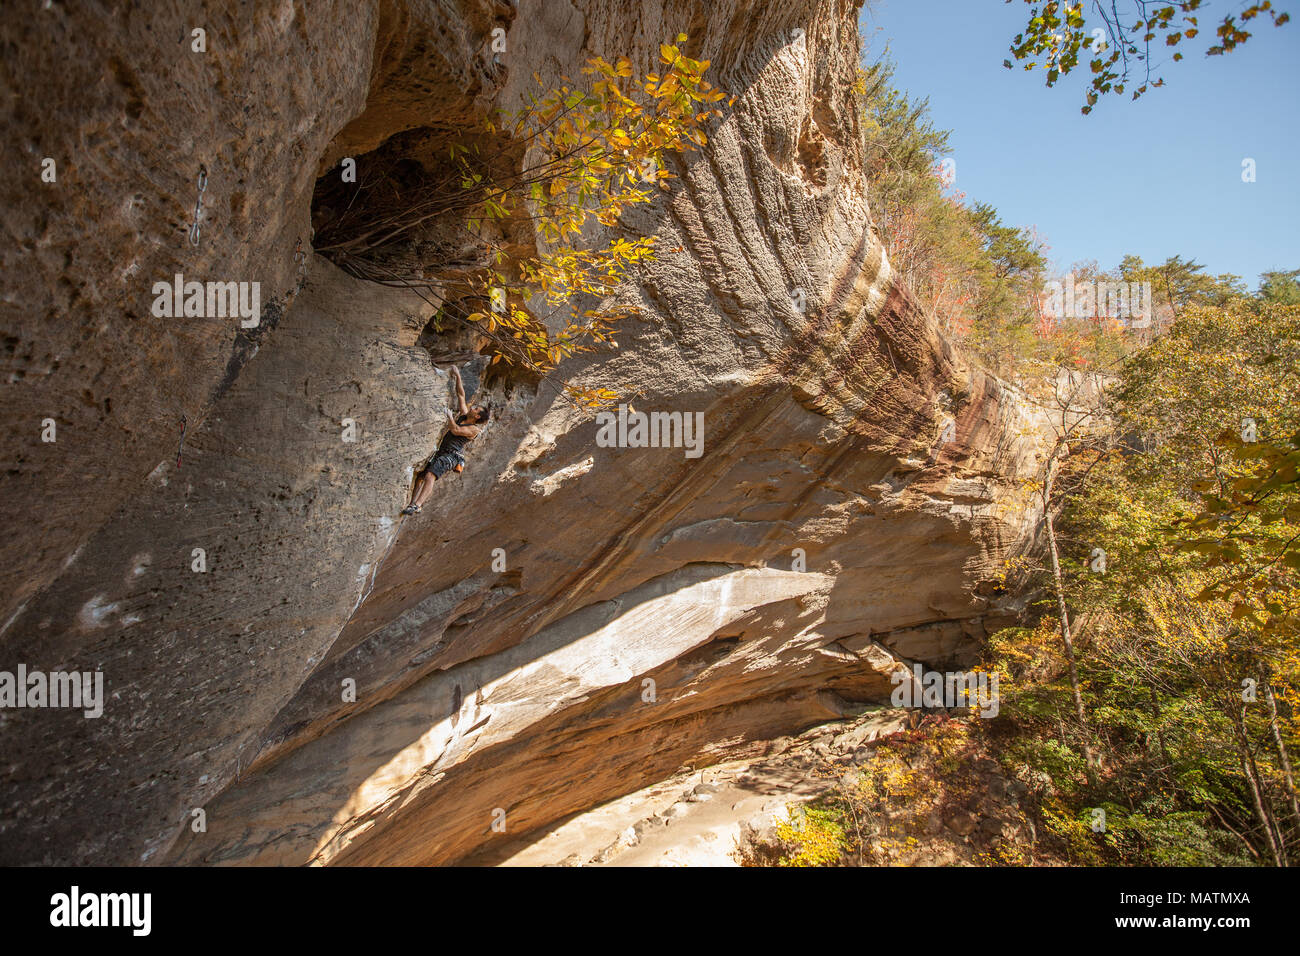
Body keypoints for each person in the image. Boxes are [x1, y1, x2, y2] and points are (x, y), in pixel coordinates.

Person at [401, 366, 489, 515]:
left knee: (430, 475)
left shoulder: (474, 429)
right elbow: (461, 395)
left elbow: (456, 430)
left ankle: (417, 505)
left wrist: (449, 417)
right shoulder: (464, 415)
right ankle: (413, 504)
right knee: (421, 477)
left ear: (478, 416)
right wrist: (457, 375)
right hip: (442, 451)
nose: (472, 408)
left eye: (475, 409)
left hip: (452, 455)